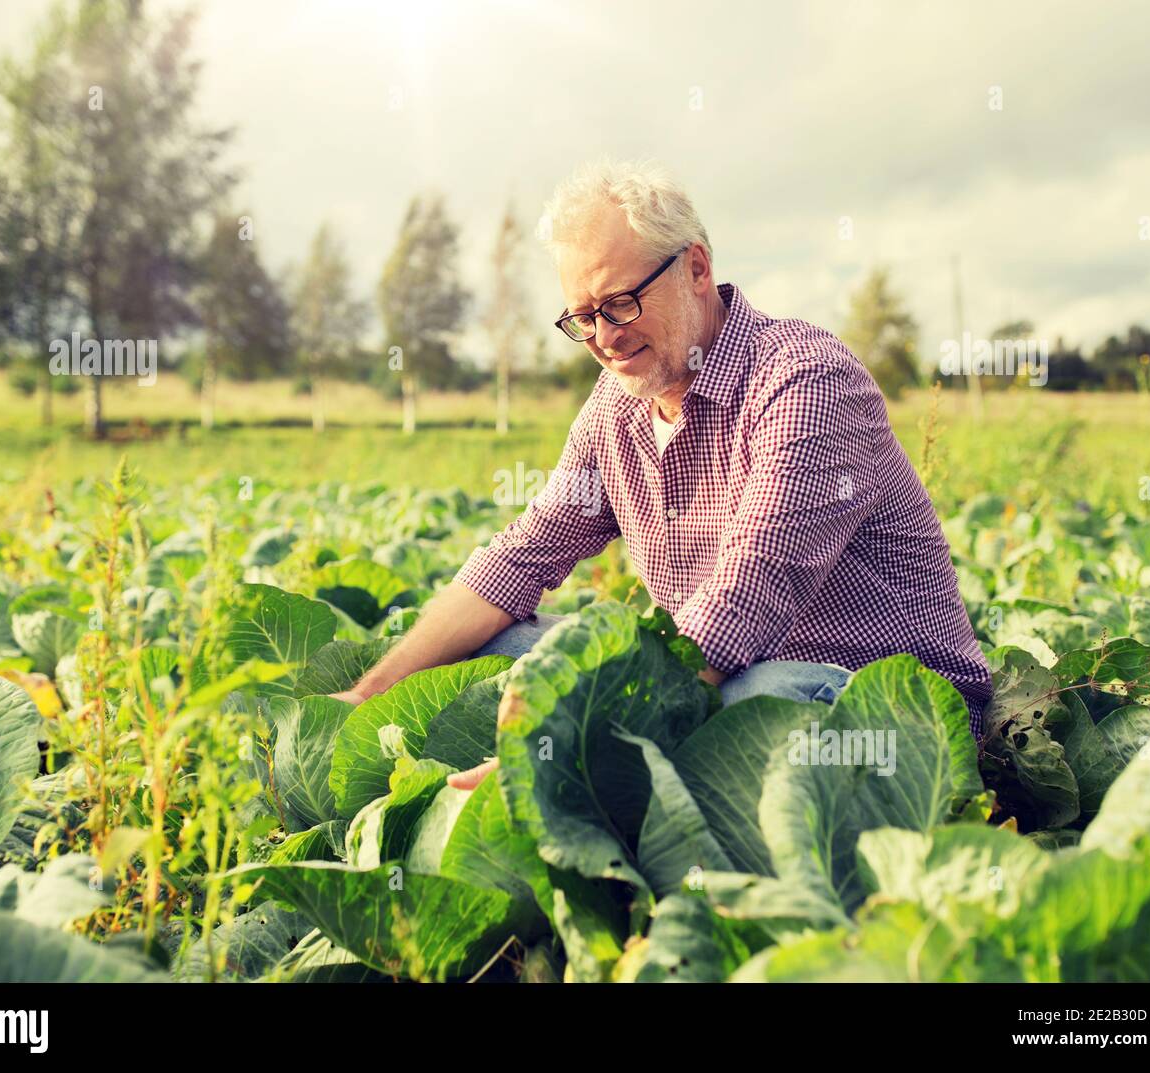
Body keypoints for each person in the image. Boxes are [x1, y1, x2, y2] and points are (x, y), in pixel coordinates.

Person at [333, 158, 991, 790]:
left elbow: (745, 596)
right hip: (711, 677)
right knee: (501, 652)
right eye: (582, 317)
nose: (604, 338)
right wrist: (369, 694)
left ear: (696, 268)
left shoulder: (804, 382)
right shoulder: (615, 410)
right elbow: (519, 558)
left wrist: (571, 743)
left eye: (619, 303)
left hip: (884, 705)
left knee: (753, 699)